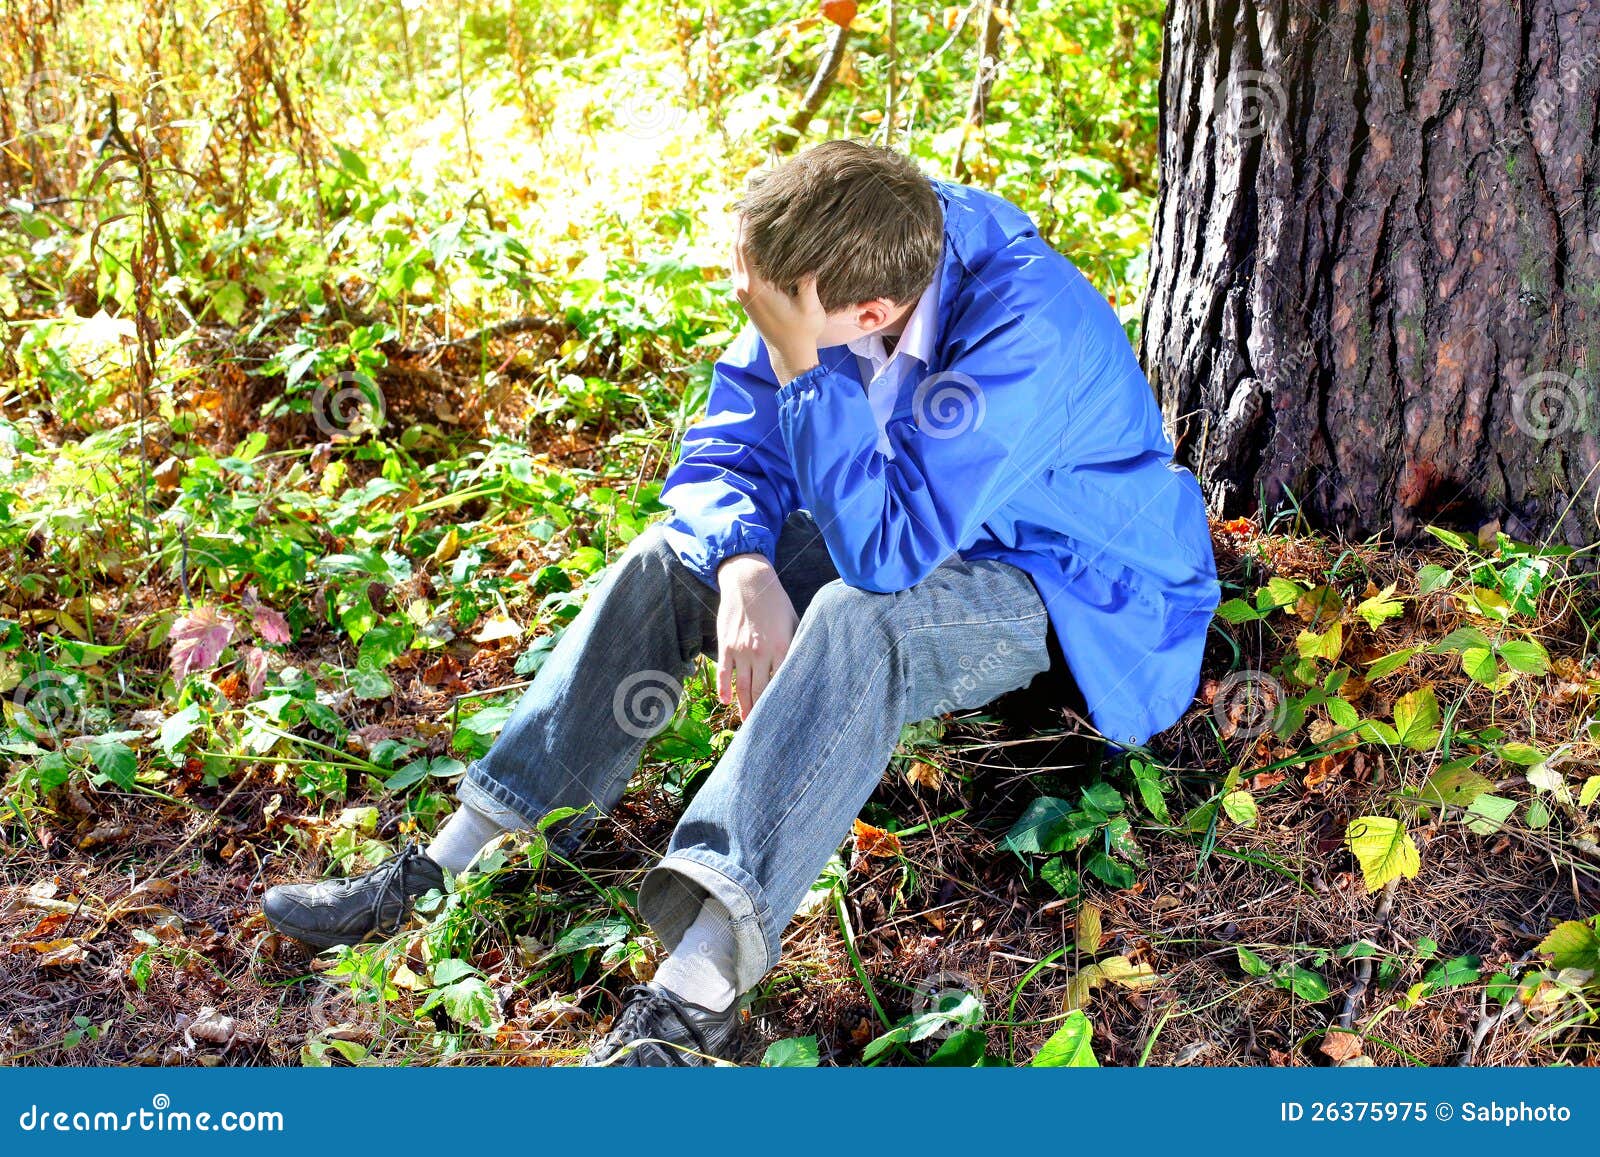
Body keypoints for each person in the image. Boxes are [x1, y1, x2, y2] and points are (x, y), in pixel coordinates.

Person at [262, 139, 1221, 1066]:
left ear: (873, 308)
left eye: (772, 318)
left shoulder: (1025, 330)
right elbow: (727, 453)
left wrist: (807, 371)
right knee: (668, 557)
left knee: (858, 617)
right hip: (932, 525)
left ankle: (696, 992)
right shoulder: (832, 255)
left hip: (1074, 588)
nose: (754, 321)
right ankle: (461, 854)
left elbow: (888, 556)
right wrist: (744, 568)